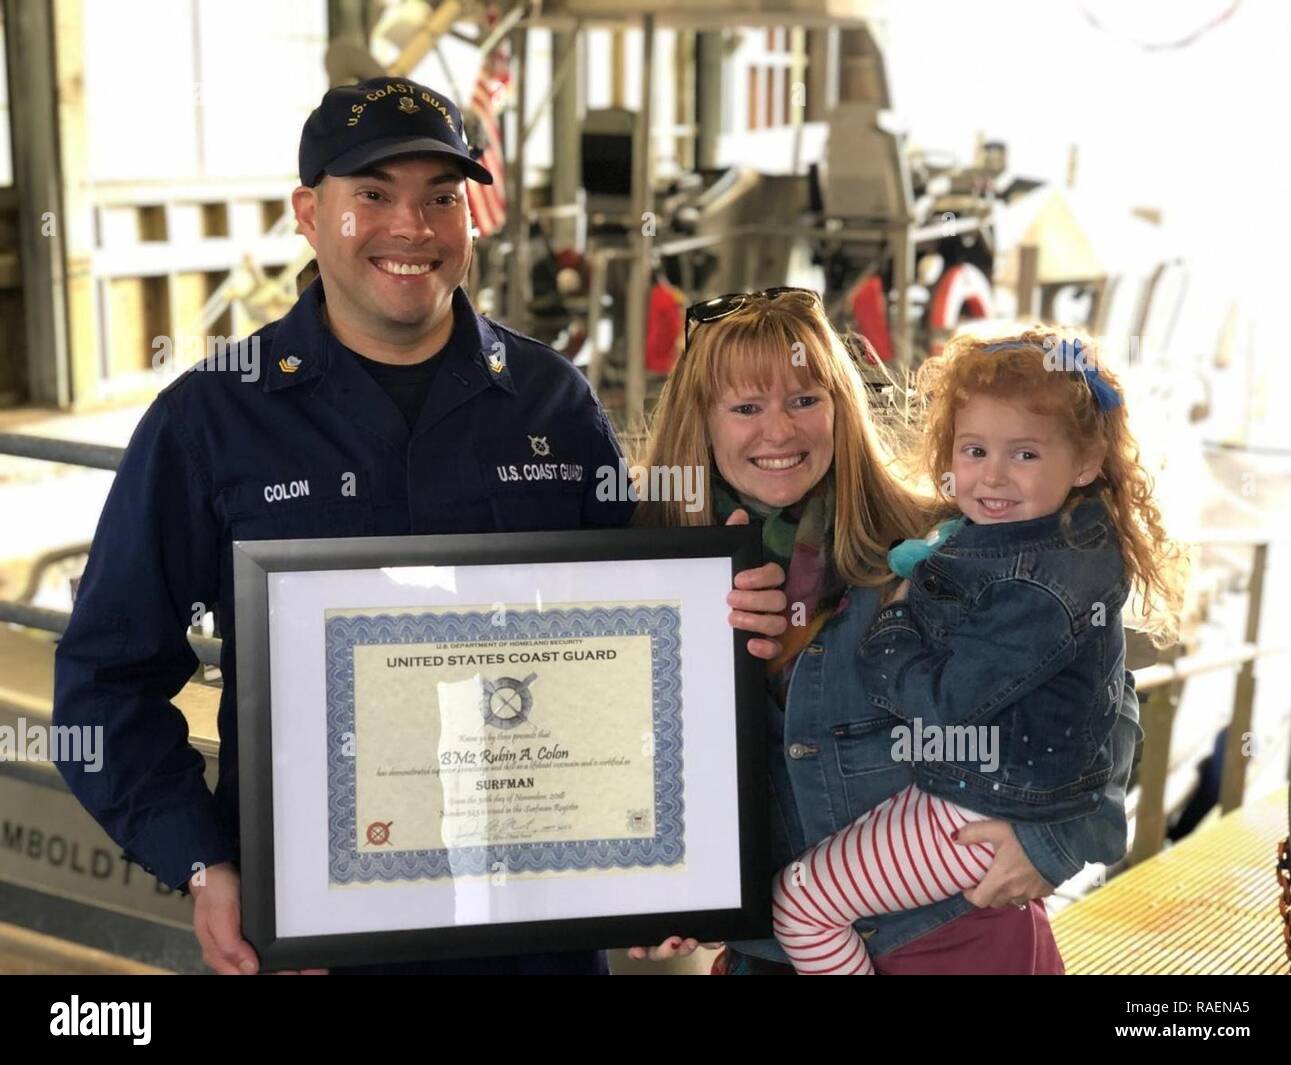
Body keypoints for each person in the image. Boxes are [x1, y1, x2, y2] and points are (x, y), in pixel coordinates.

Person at [52, 78, 786, 976]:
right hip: (323, 936)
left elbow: (638, 651)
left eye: (441, 197)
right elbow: (105, 684)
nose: (413, 227)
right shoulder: (210, 420)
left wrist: (674, 847)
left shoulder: (555, 402)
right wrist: (204, 861)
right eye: (372, 195)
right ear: (308, 213)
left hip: (541, 929)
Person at [629, 291, 1144, 974]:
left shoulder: (939, 541)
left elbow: (1101, 694)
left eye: (805, 400)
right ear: (703, 421)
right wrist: (652, 889)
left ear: (841, 406)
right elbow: (628, 757)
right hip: (775, 955)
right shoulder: (649, 579)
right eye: (747, 407)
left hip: (959, 938)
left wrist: (1059, 837)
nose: (778, 431)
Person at [769, 326, 1185, 974]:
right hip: (956, 803)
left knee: (802, 901)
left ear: (1084, 460)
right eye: (976, 449)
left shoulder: (1019, 570)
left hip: (974, 843)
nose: (993, 473)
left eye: (1024, 454)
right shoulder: (1001, 537)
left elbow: (1094, 700)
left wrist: (1057, 838)